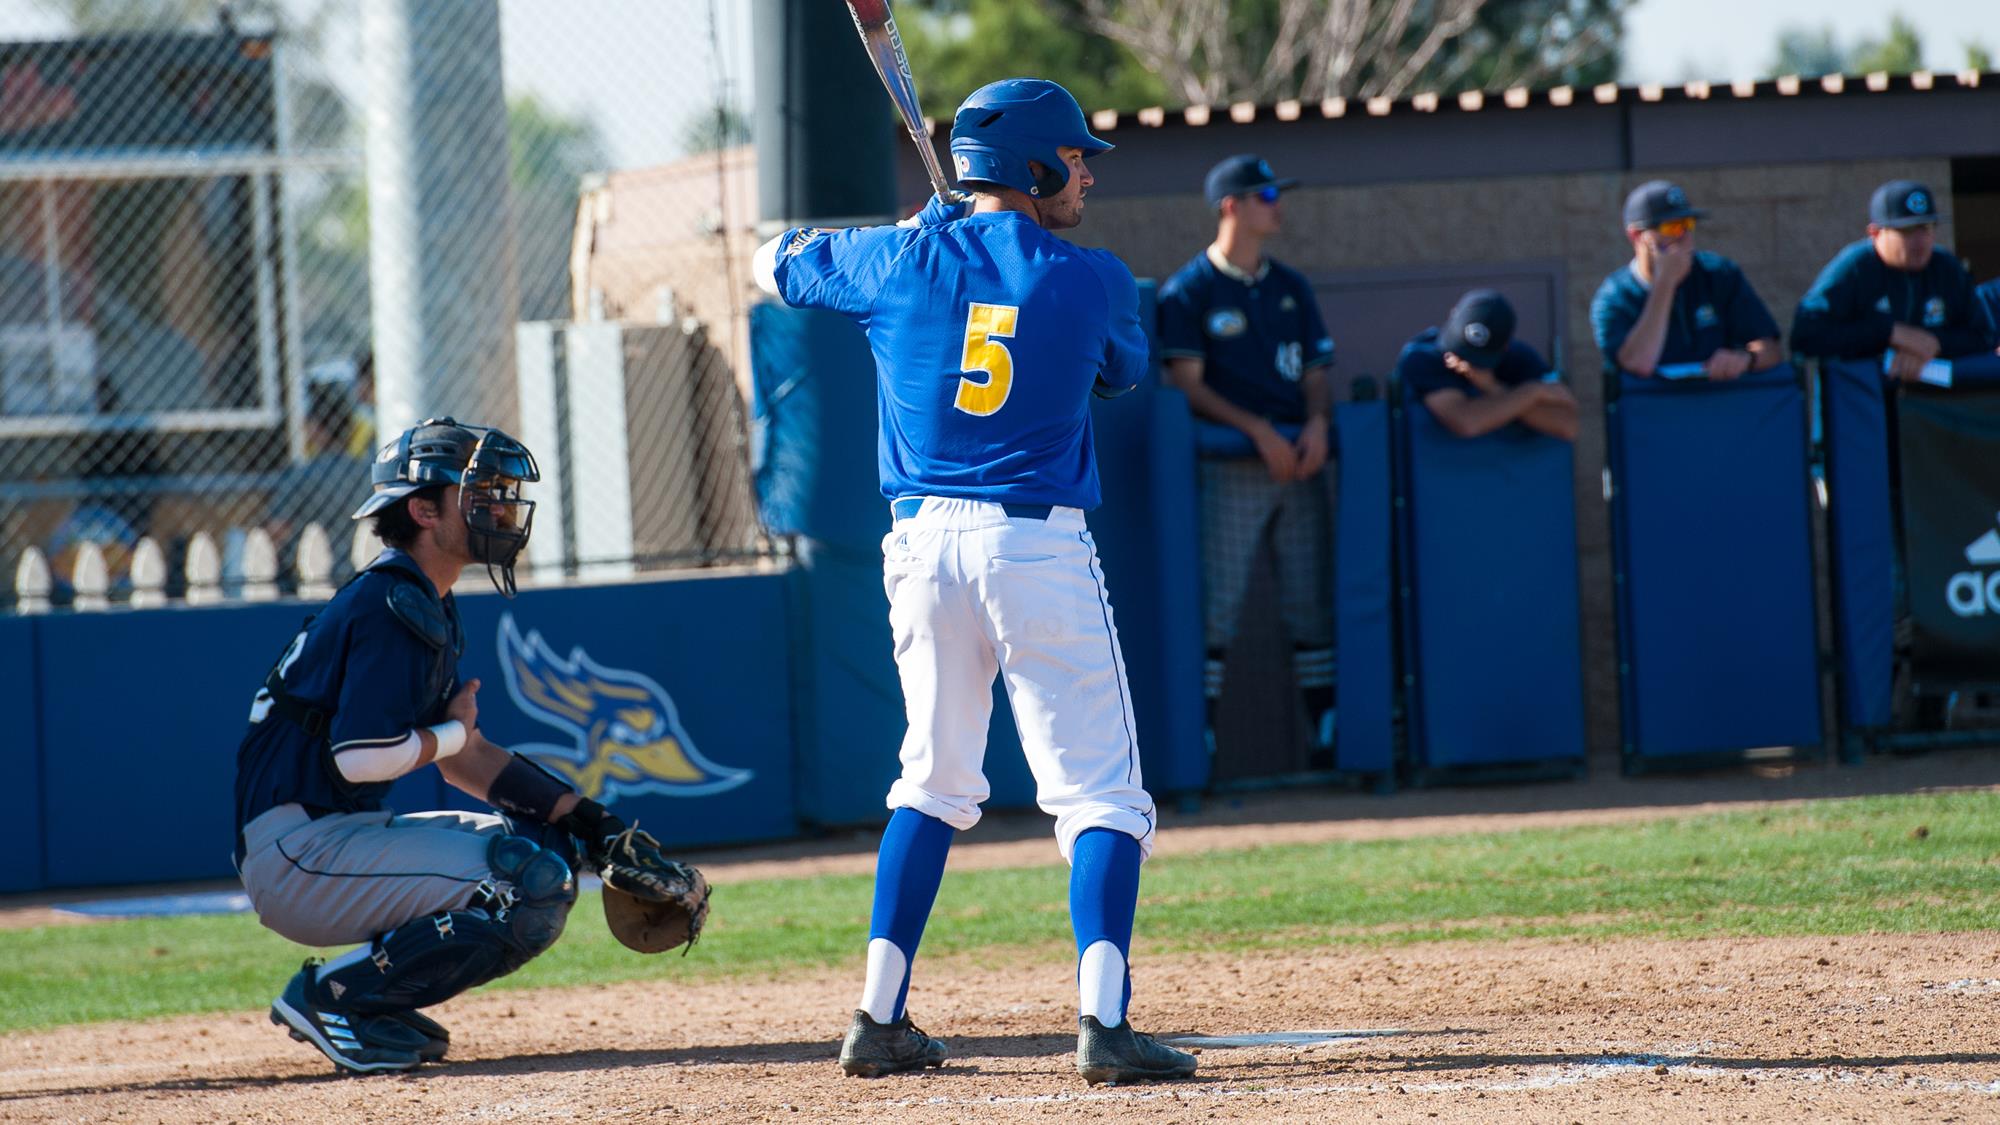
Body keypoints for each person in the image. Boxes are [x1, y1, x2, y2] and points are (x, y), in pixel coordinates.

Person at [751, 77, 1195, 1086]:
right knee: (1100, 796)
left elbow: (767, 260)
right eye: (1072, 158)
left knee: (933, 782)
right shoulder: (1091, 278)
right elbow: (1118, 370)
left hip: (918, 549)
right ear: (1031, 168)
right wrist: (956, 244)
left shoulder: (892, 258)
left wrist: (909, 232)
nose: (1084, 171)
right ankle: (1104, 1026)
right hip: (1033, 546)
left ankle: (877, 1015)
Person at [234, 417, 707, 1075]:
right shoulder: (389, 603)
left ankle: (369, 998)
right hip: (299, 852)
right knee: (526, 881)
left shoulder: (418, 598)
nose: (501, 505)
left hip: (332, 837)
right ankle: (334, 997)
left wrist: (588, 820)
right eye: (479, 491)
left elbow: (464, 758)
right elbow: (360, 757)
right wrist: (451, 730)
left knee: (546, 853)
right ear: (424, 509)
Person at [1155, 154, 1338, 752]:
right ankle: (1198, 737)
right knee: (1218, 606)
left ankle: (1330, 731)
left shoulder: (1290, 285)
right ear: (1230, 206)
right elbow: (1185, 382)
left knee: (1312, 602)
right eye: (1265, 195)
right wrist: (1256, 430)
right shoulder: (1190, 289)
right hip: (1233, 464)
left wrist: (1316, 420)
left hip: (1298, 462)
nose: (1277, 205)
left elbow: (1315, 371)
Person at [1792, 180, 1992, 378]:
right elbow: (1807, 335)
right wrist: (1888, 333)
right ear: (1875, 233)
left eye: (1927, 227)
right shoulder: (1855, 266)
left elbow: (1983, 335)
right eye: (1906, 231)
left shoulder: (1946, 267)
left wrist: (1933, 344)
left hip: (1934, 401)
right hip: (1863, 396)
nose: (1920, 240)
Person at [1590, 180, 1784, 379]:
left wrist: (1746, 358)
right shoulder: (1615, 297)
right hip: (1655, 407)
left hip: (1719, 402)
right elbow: (1639, 364)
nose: (1685, 238)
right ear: (1637, 236)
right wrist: (1665, 283)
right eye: (1672, 228)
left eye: (1688, 225)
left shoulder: (1718, 274)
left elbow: (1771, 349)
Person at [1396, 289, 1578, 441]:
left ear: (1505, 346)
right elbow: (1466, 422)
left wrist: (1492, 387)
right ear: (1451, 316)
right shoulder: (1421, 356)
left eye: (1477, 357)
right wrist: (1532, 393)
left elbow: (1567, 425)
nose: (1465, 363)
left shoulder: (1519, 357)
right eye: (1460, 350)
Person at [265, 380, 369, 587]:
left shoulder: (301, 475)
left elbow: (278, 530)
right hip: (364, 572)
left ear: (314, 428)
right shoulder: (367, 472)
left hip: (309, 580)